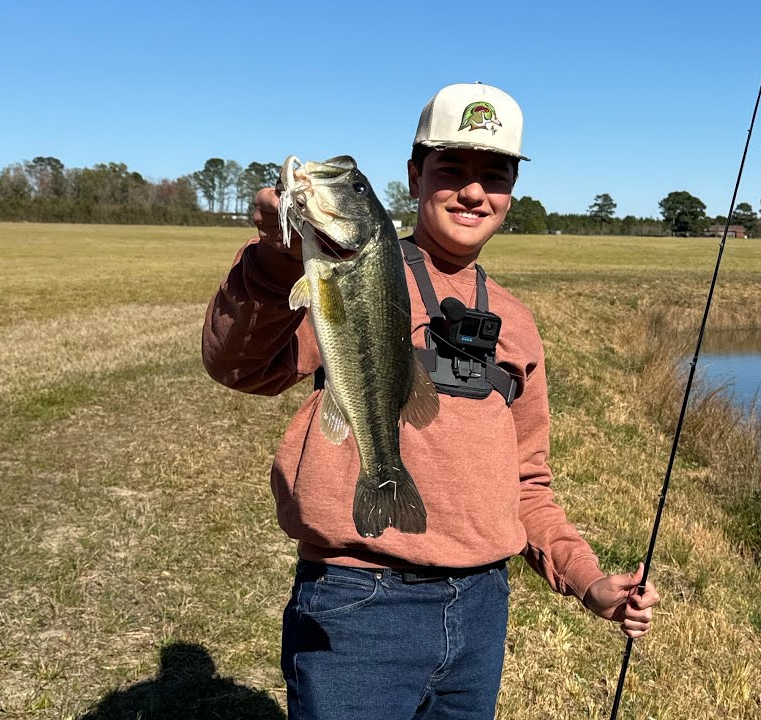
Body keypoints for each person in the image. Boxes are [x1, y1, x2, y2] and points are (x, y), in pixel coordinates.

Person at [201, 82, 660, 719]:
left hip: (481, 611)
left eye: (494, 176)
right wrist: (275, 259)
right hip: (358, 603)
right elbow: (239, 365)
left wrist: (587, 580)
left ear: (510, 194)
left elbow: (529, 482)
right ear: (415, 178)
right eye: (452, 169)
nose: (473, 191)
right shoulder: (347, 271)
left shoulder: (517, 324)